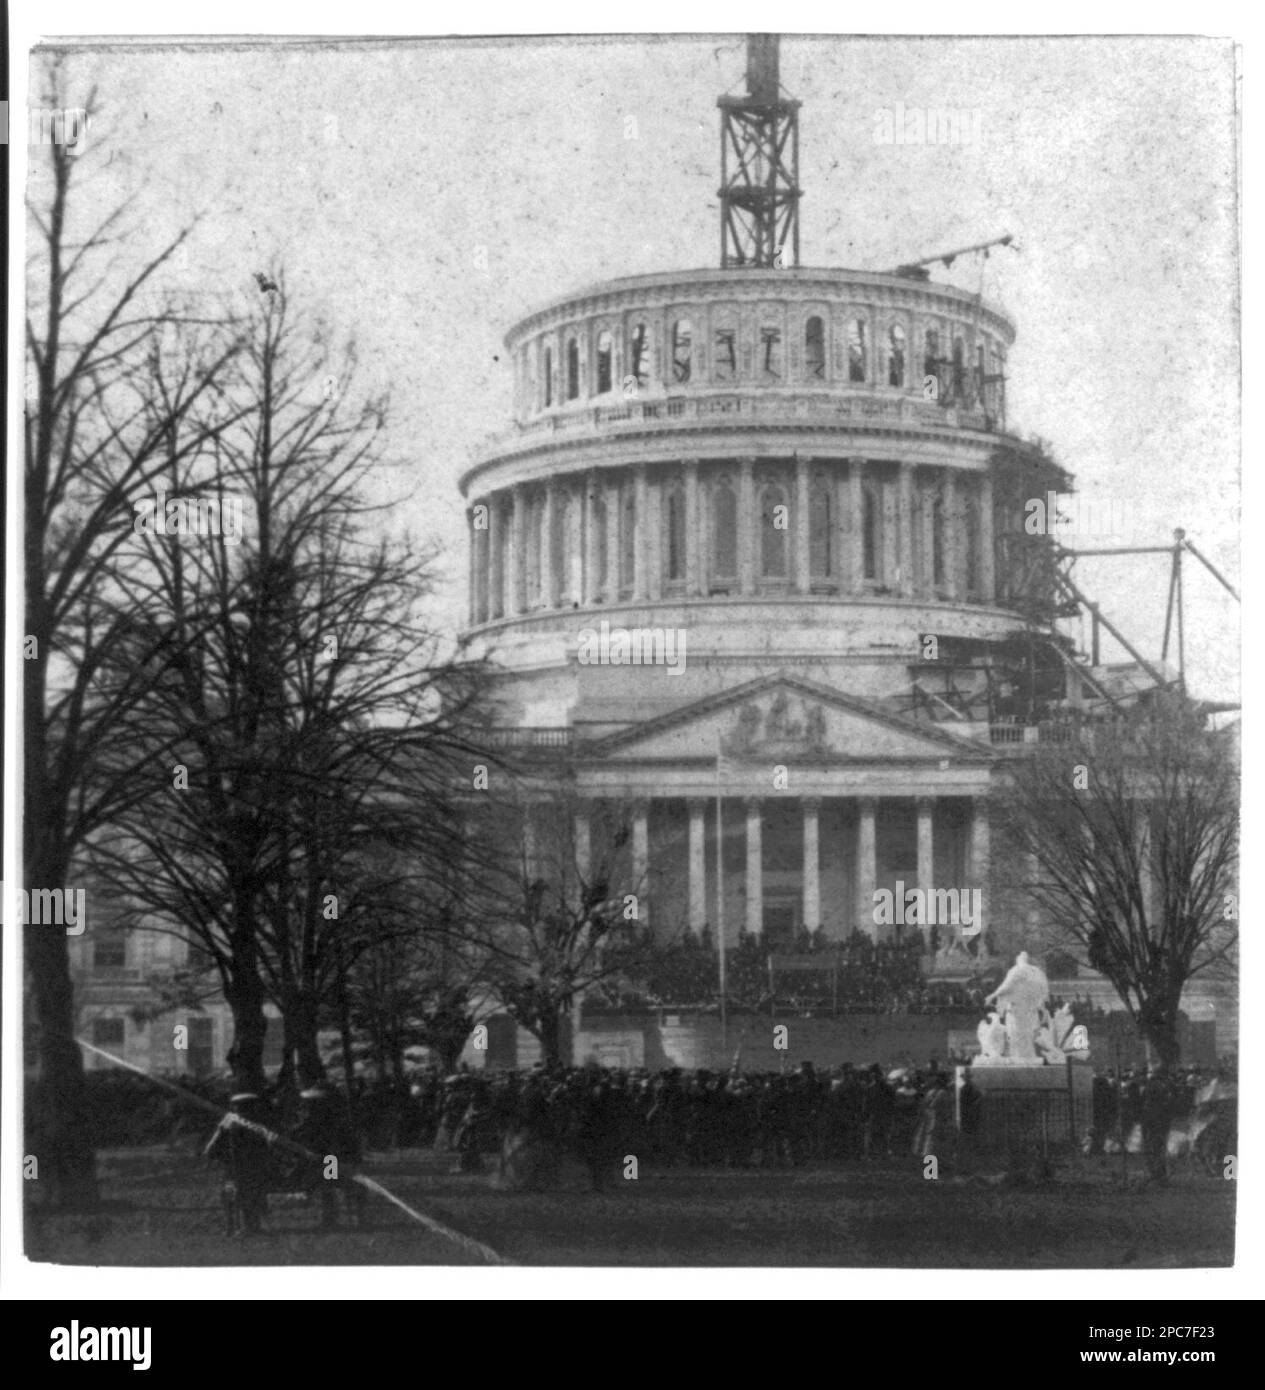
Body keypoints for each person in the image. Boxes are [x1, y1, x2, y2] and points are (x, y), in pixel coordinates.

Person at [204, 1093, 277, 1237]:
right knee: (251, 1192)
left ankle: (237, 1227)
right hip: (257, 1170)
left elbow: (211, 1149)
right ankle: (250, 1225)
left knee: (230, 1192)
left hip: (236, 1171)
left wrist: (221, 1156)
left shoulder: (230, 1123)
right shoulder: (261, 1125)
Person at [292, 1086, 362, 1229]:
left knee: (329, 1169)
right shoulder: (308, 1127)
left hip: (327, 1168)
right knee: (327, 1174)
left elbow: (350, 1149)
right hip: (313, 1170)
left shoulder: (329, 1127)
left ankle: (330, 1215)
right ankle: (329, 1215)